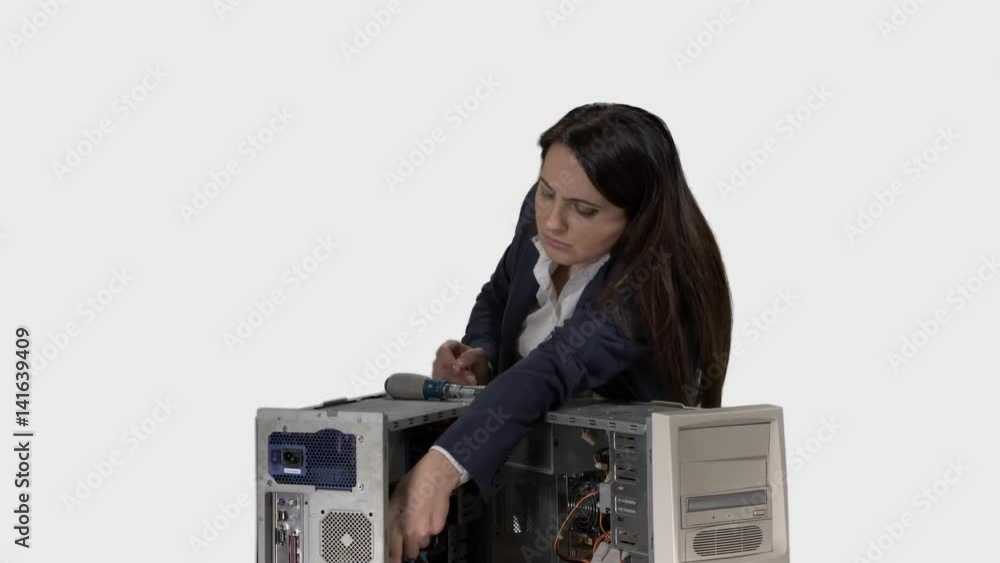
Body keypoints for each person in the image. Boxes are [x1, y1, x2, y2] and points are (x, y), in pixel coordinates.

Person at [387, 102, 734, 562]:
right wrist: (482, 354)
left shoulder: (646, 293)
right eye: (546, 192)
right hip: (519, 499)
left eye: (584, 210)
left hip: (606, 520)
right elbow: (499, 293)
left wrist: (440, 469)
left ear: (638, 217)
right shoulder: (545, 215)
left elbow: (553, 365)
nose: (552, 221)